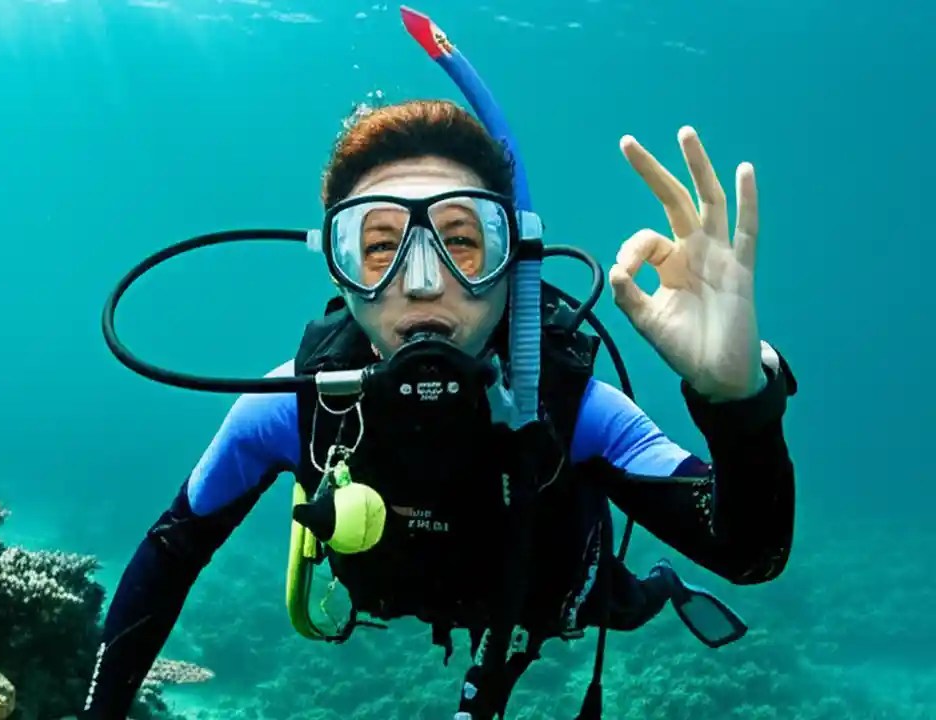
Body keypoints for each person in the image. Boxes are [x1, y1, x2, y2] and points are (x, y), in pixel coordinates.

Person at [86, 8, 796, 719]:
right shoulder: (295, 405)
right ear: (339, 273)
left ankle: (657, 587)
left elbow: (749, 555)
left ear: (511, 262)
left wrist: (738, 403)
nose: (421, 281)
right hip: (393, 585)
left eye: (460, 240)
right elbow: (170, 555)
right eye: (378, 246)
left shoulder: (569, 405)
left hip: (546, 595)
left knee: (620, 601)